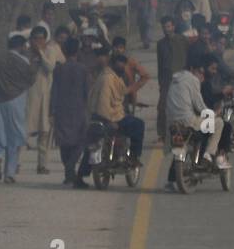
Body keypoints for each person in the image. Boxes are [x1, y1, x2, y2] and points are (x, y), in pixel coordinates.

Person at [0, 32, 39, 183]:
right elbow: (31, 78)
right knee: (15, 137)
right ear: (21, 46)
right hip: (17, 102)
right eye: (25, 45)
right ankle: (9, 174)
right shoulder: (23, 61)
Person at [166, 55, 230, 190]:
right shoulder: (192, 80)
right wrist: (213, 114)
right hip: (187, 121)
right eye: (199, 72)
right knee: (219, 123)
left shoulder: (174, 79)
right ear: (192, 69)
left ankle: (172, 179)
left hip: (172, 122)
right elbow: (200, 106)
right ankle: (208, 154)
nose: (201, 75)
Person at [49, 37, 93, 188]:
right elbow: (88, 92)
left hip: (61, 111)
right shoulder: (83, 69)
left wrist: (52, 111)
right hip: (79, 110)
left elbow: (53, 92)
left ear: (63, 51)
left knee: (64, 143)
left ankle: (69, 174)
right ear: (77, 51)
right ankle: (70, 169)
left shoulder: (58, 69)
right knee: (80, 141)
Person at [89, 52, 148, 162]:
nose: (122, 68)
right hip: (109, 117)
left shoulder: (108, 75)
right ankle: (134, 157)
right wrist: (110, 121)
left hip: (100, 116)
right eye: (120, 66)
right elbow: (104, 102)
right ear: (113, 64)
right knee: (139, 125)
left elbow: (121, 92)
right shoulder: (109, 79)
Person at [25, 25, 64, 175]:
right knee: (24, 131)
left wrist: (40, 53)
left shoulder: (50, 50)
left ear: (45, 39)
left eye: (41, 38)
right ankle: (14, 163)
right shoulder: (26, 53)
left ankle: (42, 165)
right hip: (30, 97)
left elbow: (50, 67)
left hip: (46, 97)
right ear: (31, 40)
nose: (38, 41)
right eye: (35, 38)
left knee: (44, 132)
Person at [111, 36, 151, 112]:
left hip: (127, 98)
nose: (118, 50)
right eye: (116, 47)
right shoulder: (109, 62)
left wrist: (132, 88)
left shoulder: (130, 62)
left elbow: (145, 76)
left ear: (124, 49)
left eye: (121, 48)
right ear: (112, 48)